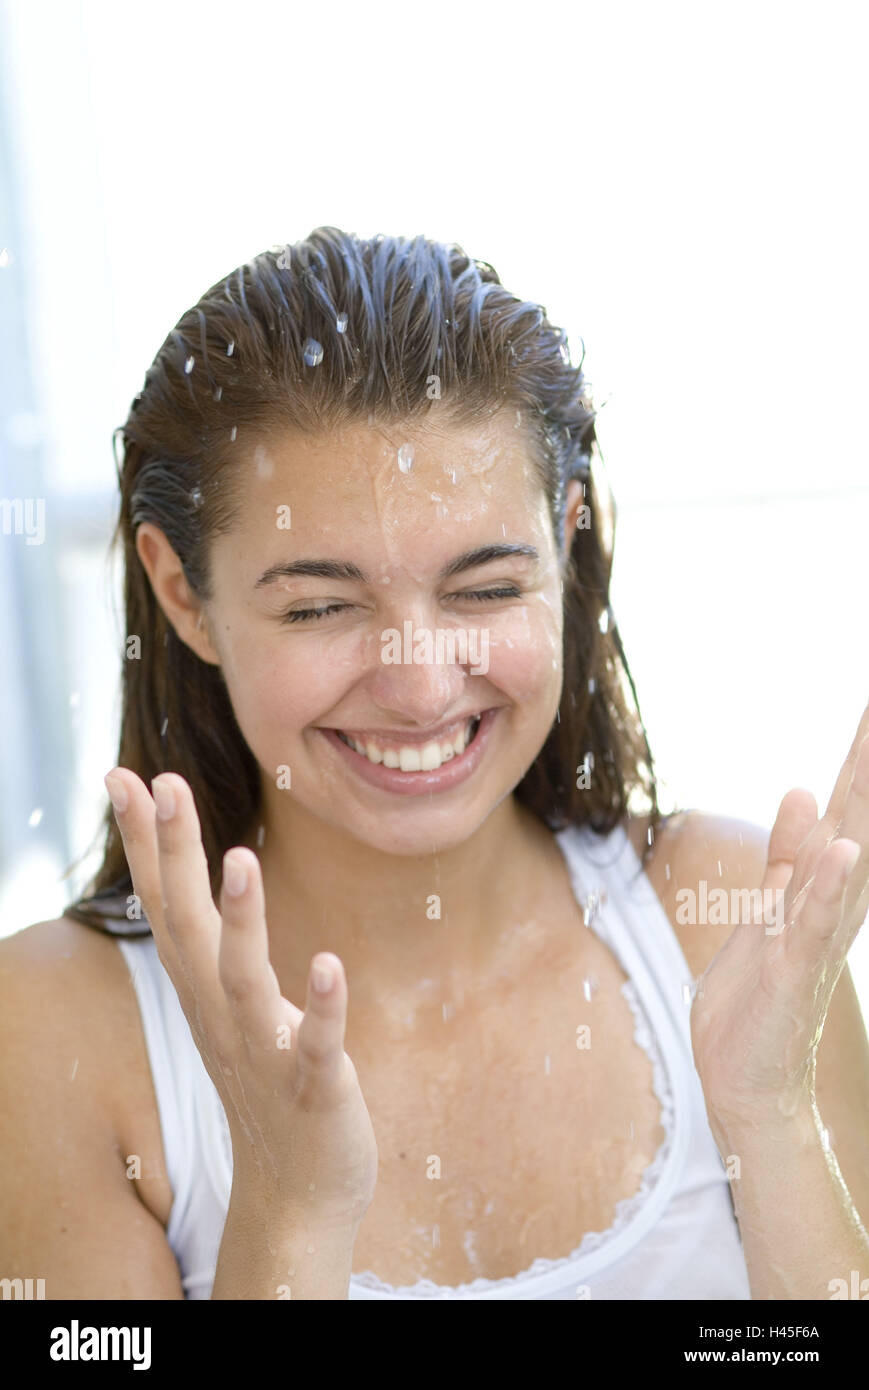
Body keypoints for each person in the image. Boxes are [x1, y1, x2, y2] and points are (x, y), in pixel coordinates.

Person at [2, 228, 868, 1301]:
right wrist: (285, 1201)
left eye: (486, 588)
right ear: (183, 593)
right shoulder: (52, 1029)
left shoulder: (727, 924)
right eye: (320, 606)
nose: (419, 686)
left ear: (563, 539)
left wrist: (770, 1115)